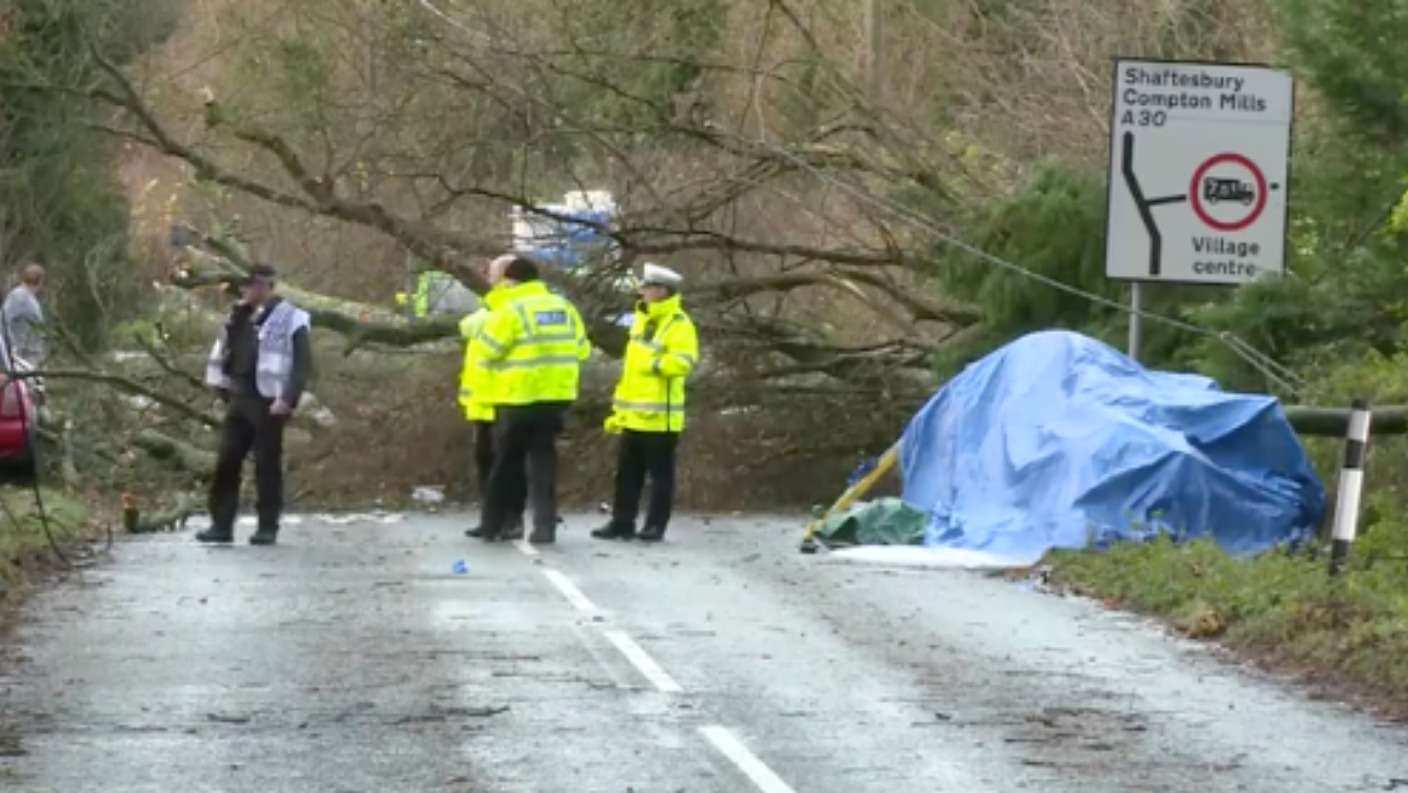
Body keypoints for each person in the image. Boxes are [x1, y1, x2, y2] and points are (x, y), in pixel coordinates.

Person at [470, 255, 590, 544]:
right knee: (543, 462)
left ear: (511, 280)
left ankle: (492, 524)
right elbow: (582, 349)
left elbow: (489, 350)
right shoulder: (563, 307)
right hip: (557, 396)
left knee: (506, 462)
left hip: (519, 396)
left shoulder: (511, 309)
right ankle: (545, 527)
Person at [198, 263, 313, 546]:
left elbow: (302, 365)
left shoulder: (292, 318)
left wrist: (288, 399)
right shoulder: (238, 315)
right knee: (227, 461)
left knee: (266, 465)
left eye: (249, 286)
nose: (244, 291)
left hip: (268, 401)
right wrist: (220, 387)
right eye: (244, 286)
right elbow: (224, 351)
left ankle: (267, 526)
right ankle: (221, 524)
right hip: (238, 397)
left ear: (264, 287)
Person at [592, 263, 698, 543]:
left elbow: (684, 363)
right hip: (634, 415)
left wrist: (653, 364)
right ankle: (622, 522)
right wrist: (618, 411)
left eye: (647, 287)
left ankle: (655, 526)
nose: (641, 292)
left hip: (660, 417)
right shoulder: (641, 320)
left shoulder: (678, 324)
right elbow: (630, 372)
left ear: (662, 291)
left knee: (660, 477)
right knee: (627, 475)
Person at [457, 257, 523, 540]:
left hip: (501, 397)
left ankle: (510, 519)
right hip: (482, 399)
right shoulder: (493, 305)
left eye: (493, 272)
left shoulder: (508, 307)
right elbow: (468, 326)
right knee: (486, 464)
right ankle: (491, 519)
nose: (488, 277)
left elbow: (472, 325)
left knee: (505, 466)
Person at [2, 263, 47, 368]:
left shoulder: (29, 297)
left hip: (30, 352)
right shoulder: (19, 296)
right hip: (21, 354)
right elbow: (4, 320)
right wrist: (10, 347)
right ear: (40, 281)